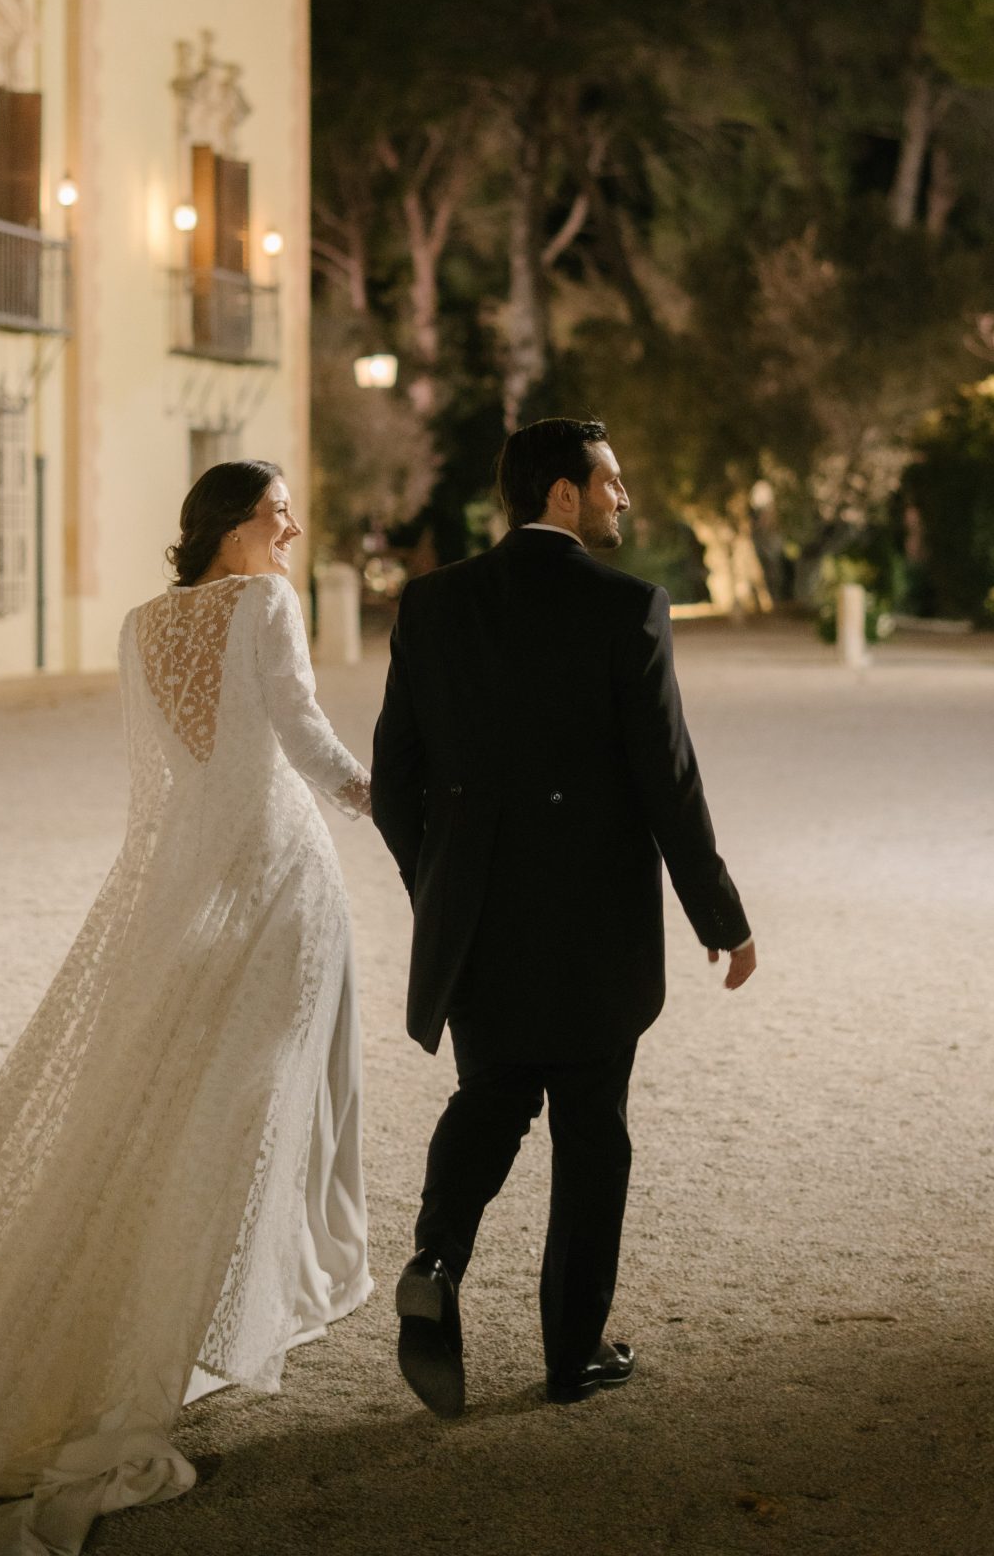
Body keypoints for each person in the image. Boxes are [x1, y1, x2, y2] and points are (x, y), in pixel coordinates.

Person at [0, 462, 372, 1556]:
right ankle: (187, 1330)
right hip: (280, 879)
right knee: (254, 1103)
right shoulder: (267, 601)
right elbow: (295, 728)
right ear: (234, 528)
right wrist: (383, 797)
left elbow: (159, 788)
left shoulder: (142, 623)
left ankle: (157, 1321)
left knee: (177, 1112)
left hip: (184, 893)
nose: (293, 523)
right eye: (277, 508)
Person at [371, 418, 756, 1415]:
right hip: (594, 929)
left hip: (479, 921)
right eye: (611, 481)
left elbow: (392, 781)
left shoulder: (433, 603)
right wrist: (719, 910)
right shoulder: (626, 607)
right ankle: (571, 1351)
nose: (623, 497)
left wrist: (443, 881)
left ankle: (437, 1262)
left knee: (491, 1095)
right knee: (593, 1131)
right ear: (563, 494)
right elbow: (667, 778)